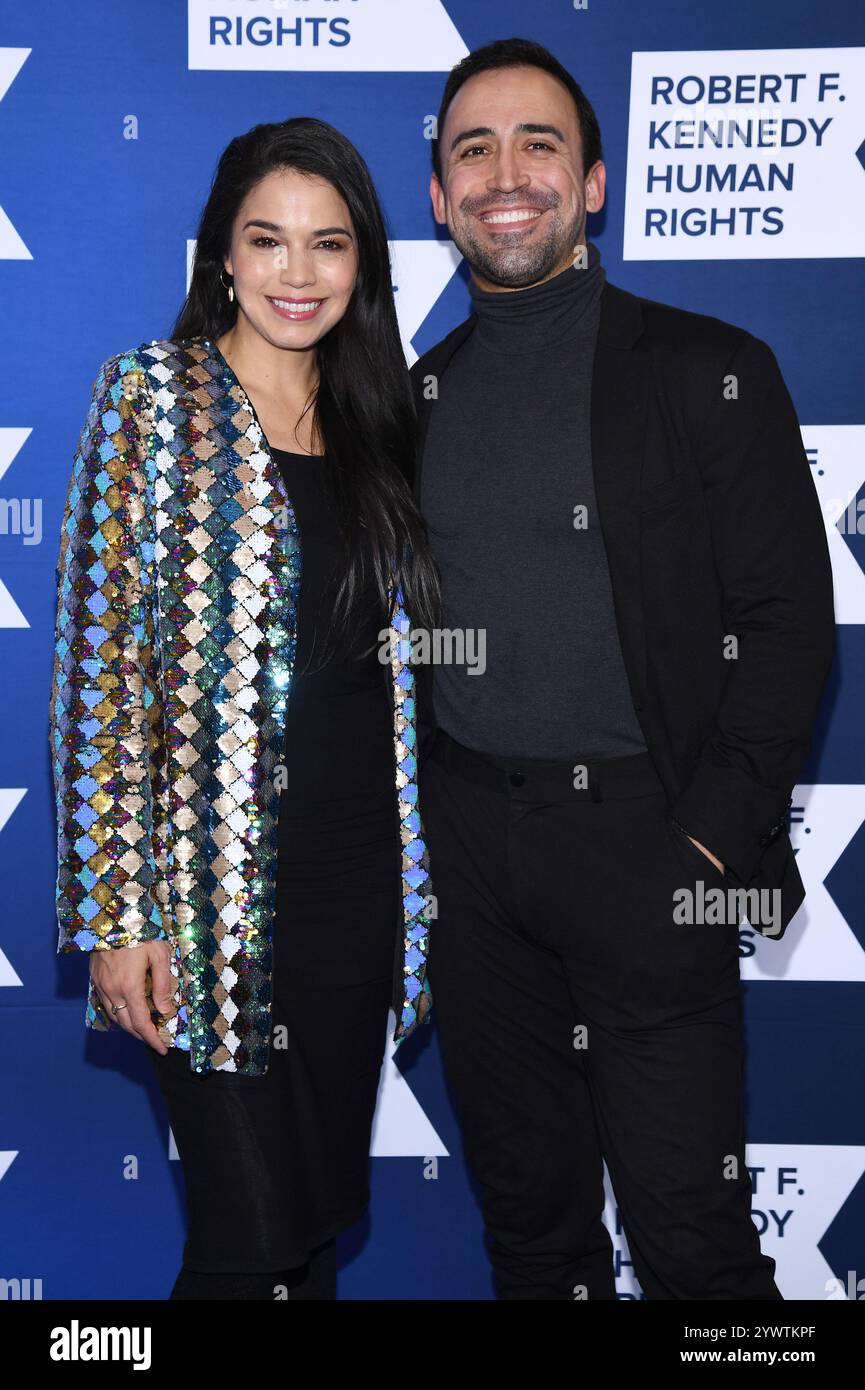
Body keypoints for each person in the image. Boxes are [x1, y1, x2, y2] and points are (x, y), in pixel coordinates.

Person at [410, 37, 835, 1299]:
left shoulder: (710, 372)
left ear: (594, 182)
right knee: (534, 1238)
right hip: (476, 868)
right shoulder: (411, 396)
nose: (506, 173)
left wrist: (703, 843)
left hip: (656, 855)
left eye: (538, 143)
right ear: (437, 196)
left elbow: (785, 627)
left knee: (694, 1248)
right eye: (471, 148)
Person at [50, 117, 439, 1300]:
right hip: (206, 905)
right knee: (246, 1236)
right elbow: (102, 668)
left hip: (356, 891)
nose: (297, 273)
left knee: (310, 1227)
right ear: (221, 252)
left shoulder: (389, 425)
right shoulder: (149, 402)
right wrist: (119, 914)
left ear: (362, 261)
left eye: (328, 245)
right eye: (266, 241)